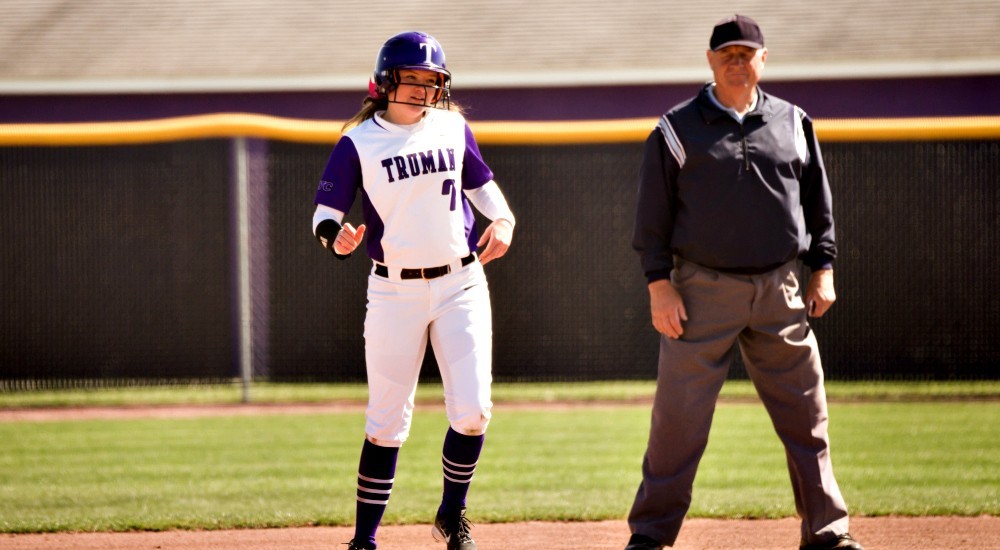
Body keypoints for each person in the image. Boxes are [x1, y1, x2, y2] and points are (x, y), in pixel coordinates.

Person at [624, 14, 863, 550]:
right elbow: (651, 217)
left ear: (763, 59)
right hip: (700, 291)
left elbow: (817, 205)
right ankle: (650, 535)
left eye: (745, 53)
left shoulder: (794, 122)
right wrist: (658, 284)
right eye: (726, 53)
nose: (737, 61)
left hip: (780, 290)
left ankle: (828, 533)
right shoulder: (676, 127)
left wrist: (823, 267)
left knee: (808, 415)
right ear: (710, 61)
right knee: (678, 424)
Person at [311, 30, 515, 550]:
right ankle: (364, 540)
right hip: (393, 291)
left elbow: (485, 188)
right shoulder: (357, 142)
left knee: (472, 411)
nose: (423, 90)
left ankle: (451, 514)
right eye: (413, 80)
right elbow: (325, 215)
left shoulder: (452, 127)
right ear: (385, 82)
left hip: (461, 281)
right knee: (385, 421)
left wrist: (505, 220)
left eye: (432, 81)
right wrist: (337, 240)